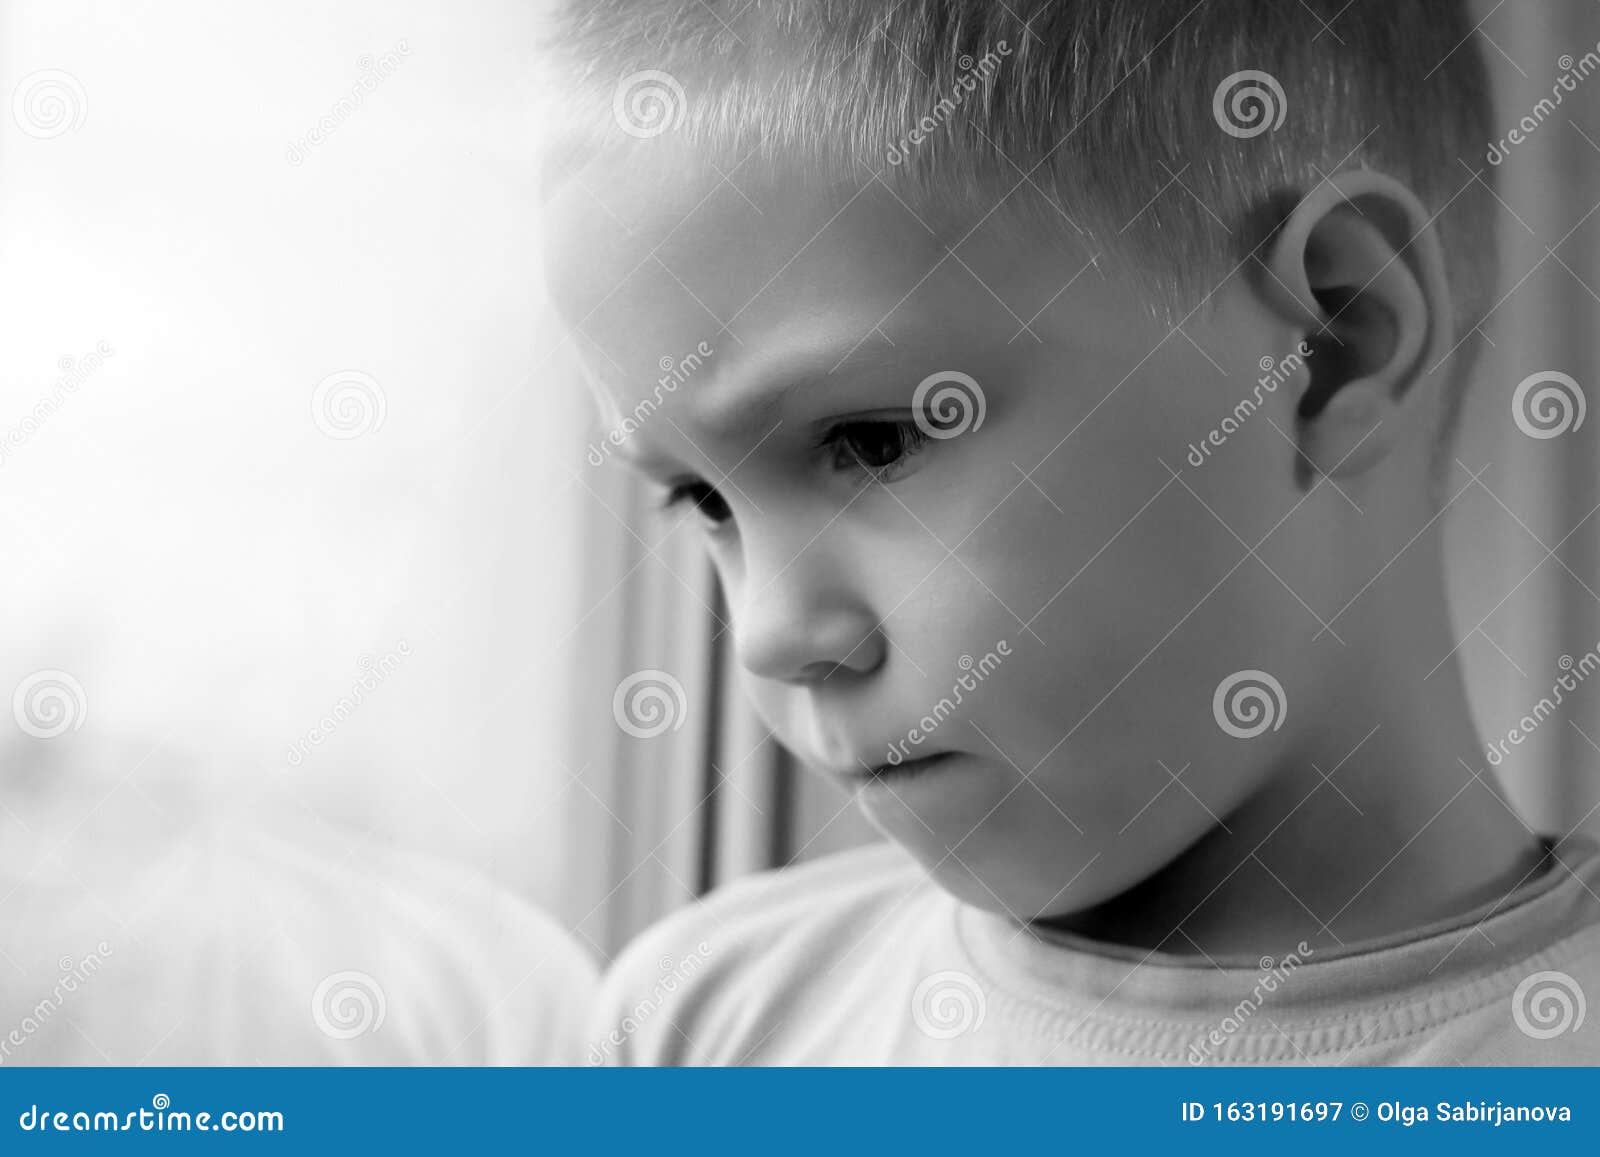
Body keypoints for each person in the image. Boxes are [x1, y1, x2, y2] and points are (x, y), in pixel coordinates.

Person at [541, 0, 1600, 1063]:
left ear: (1334, 342)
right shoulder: (699, 1026)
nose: (768, 635)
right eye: (705, 499)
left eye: (873, 441)